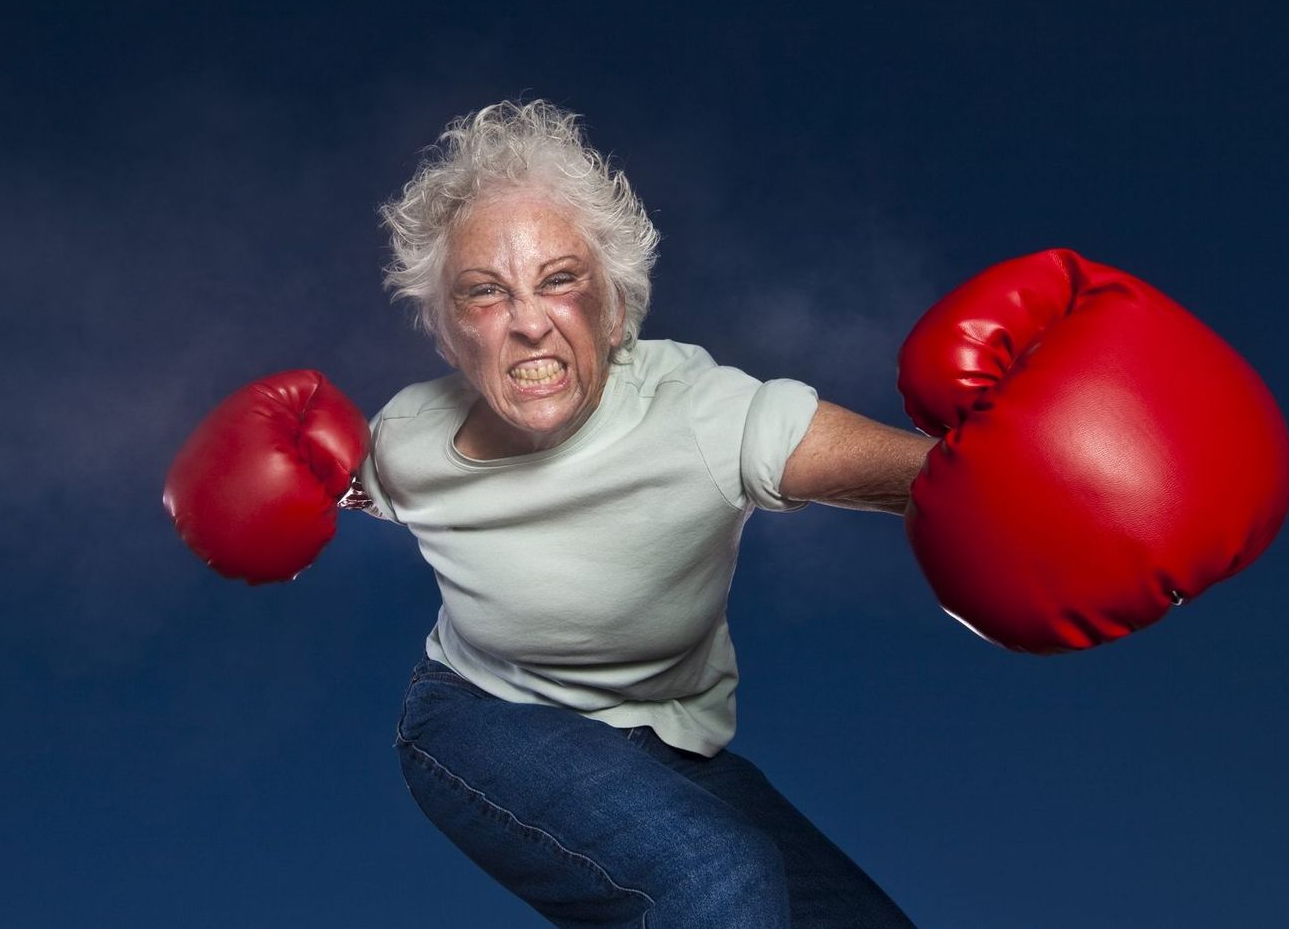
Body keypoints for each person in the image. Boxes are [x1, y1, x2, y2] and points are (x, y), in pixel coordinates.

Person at [356, 100, 932, 927]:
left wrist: (1035, 466)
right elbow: (344, 488)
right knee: (715, 885)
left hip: (669, 750)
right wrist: (280, 495)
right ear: (448, 332)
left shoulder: (700, 416)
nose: (526, 320)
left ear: (615, 307)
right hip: (480, 717)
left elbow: (927, 477)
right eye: (484, 292)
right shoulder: (409, 433)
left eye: (560, 279)